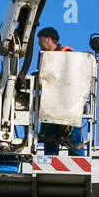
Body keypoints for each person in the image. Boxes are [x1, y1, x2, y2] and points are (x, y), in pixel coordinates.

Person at [35, 26, 85, 156]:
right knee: (49, 138)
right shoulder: (45, 58)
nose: (38, 44)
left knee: (74, 138)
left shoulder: (67, 54)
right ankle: (50, 162)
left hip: (70, 104)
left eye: (40, 40)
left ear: (47, 39)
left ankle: (77, 162)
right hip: (52, 105)